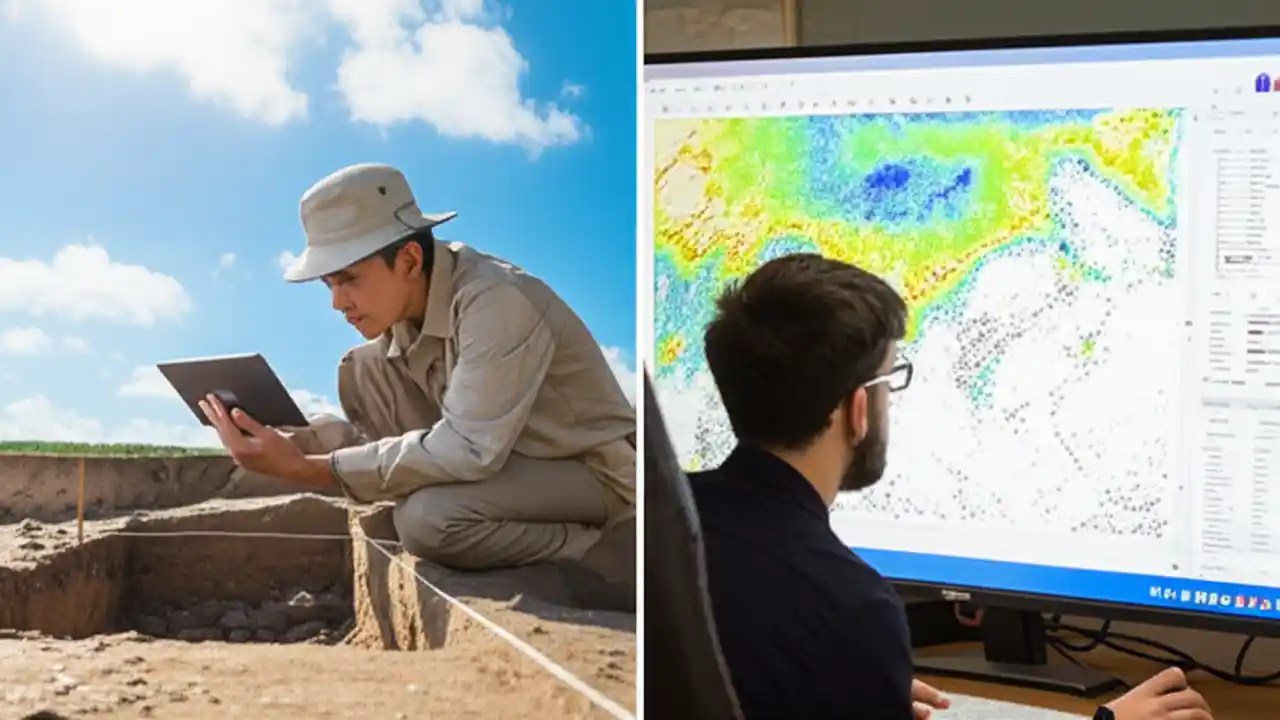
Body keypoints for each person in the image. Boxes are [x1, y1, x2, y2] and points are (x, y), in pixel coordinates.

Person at [688, 252, 1214, 719]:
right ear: (858, 409)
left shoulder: (670, 528)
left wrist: (860, 687)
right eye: (890, 380)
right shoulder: (849, 610)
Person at [199, 162, 636, 593]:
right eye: (328, 284)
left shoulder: (496, 300)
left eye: (349, 280)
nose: (337, 302)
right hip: (503, 464)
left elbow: (467, 449)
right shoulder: (405, 317)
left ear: (409, 260)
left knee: (426, 521)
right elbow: (383, 440)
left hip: (590, 474)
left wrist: (314, 470)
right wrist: (301, 441)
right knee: (362, 366)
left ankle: (600, 550)